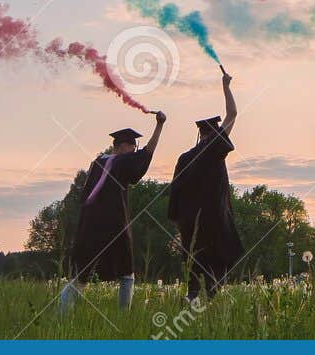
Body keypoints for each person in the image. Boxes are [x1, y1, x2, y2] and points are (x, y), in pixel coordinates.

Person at [60, 110, 167, 315]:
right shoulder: (120, 162)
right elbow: (146, 154)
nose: (134, 149)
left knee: (81, 278)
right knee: (127, 275)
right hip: (114, 227)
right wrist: (159, 125)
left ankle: (61, 316)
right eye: (132, 146)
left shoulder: (98, 162)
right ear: (123, 146)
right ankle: (123, 316)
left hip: (88, 228)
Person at [167, 66, 245, 300]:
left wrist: (178, 222)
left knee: (194, 264)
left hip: (189, 224)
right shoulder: (213, 148)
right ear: (214, 133)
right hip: (212, 220)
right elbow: (232, 114)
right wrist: (226, 87)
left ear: (200, 133)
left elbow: (175, 195)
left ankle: (192, 300)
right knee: (218, 260)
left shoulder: (185, 157)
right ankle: (209, 302)